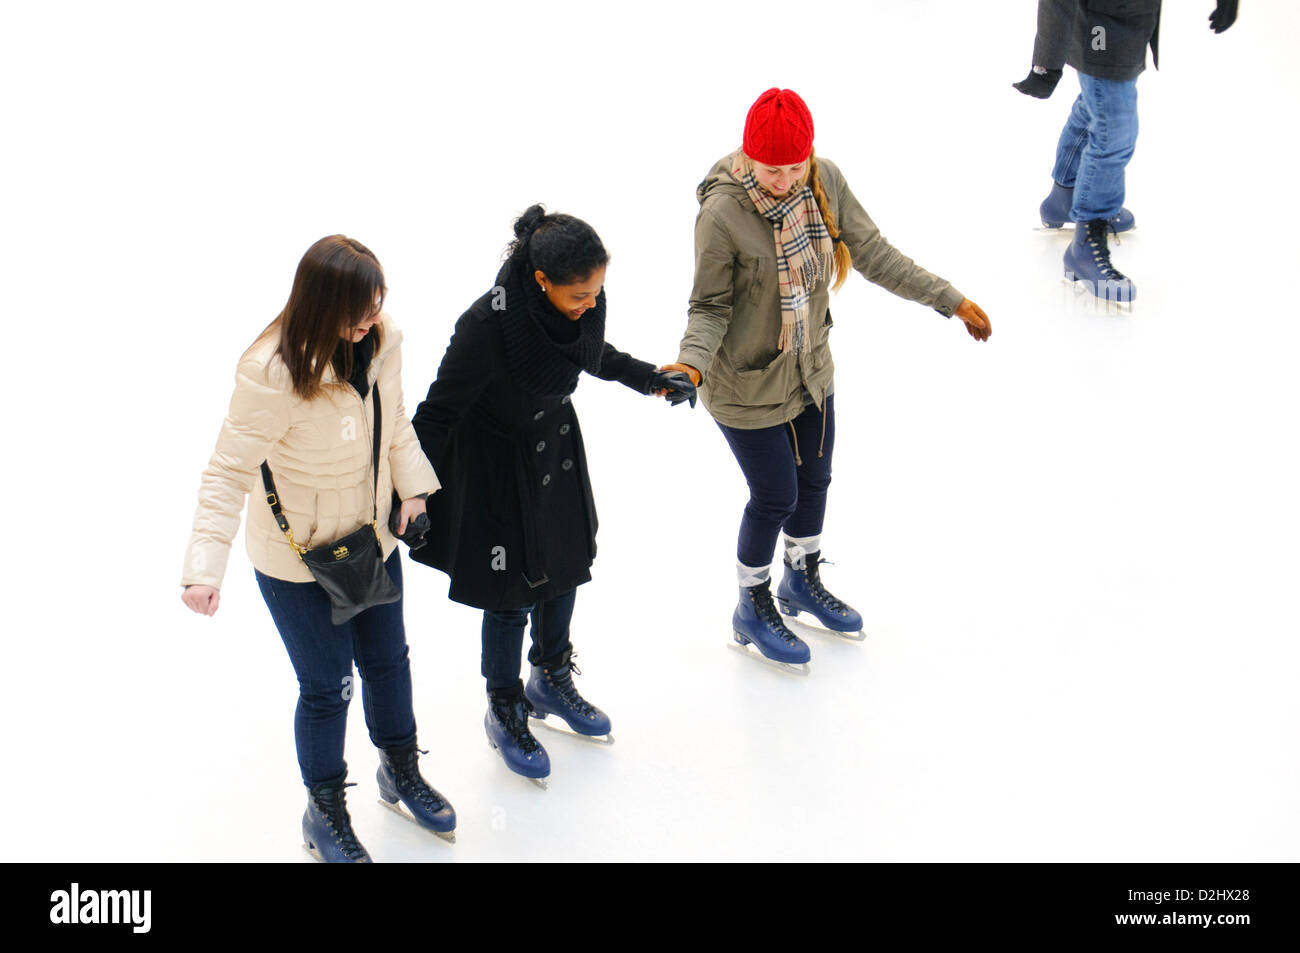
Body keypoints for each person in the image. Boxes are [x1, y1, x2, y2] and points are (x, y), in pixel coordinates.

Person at [661, 88, 991, 670]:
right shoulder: (722, 214)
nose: (784, 180)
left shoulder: (825, 181)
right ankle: (752, 601)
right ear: (749, 155)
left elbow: (874, 253)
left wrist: (949, 300)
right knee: (774, 496)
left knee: (815, 480)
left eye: (794, 166)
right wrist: (690, 364)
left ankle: (799, 580)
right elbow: (709, 306)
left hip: (810, 369)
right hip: (745, 383)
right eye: (771, 169)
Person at [180, 235, 455, 861]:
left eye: (378, 303)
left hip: (371, 539)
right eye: (359, 309)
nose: (372, 319)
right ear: (322, 304)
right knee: (328, 686)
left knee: (389, 662)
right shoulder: (272, 372)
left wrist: (412, 493)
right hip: (296, 559)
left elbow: (397, 423)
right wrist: (204, 568)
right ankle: (324, 810)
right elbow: (226, 471)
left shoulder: (383, 341)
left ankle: (400, 771)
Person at [409, 206, 691, 784]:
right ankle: (505, 703)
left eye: (597, 291)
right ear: (541, 280)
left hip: (554, 443)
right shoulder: (487, 325)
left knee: (565, 567)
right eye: (579, 295)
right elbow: (436, 415)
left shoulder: (583, 302)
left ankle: (551, 676)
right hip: (496, 463)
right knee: (510, 592)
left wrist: (649, 377)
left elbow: (588, 355)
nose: (591, 303)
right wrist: (411, 491)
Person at [1013, 0, 1239, 303]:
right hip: (1100, 25)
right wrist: (1045, 64)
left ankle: (1064, 197)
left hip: (1134, 22)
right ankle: (1087, 241)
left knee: (1097, 106)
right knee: (1114, 130)